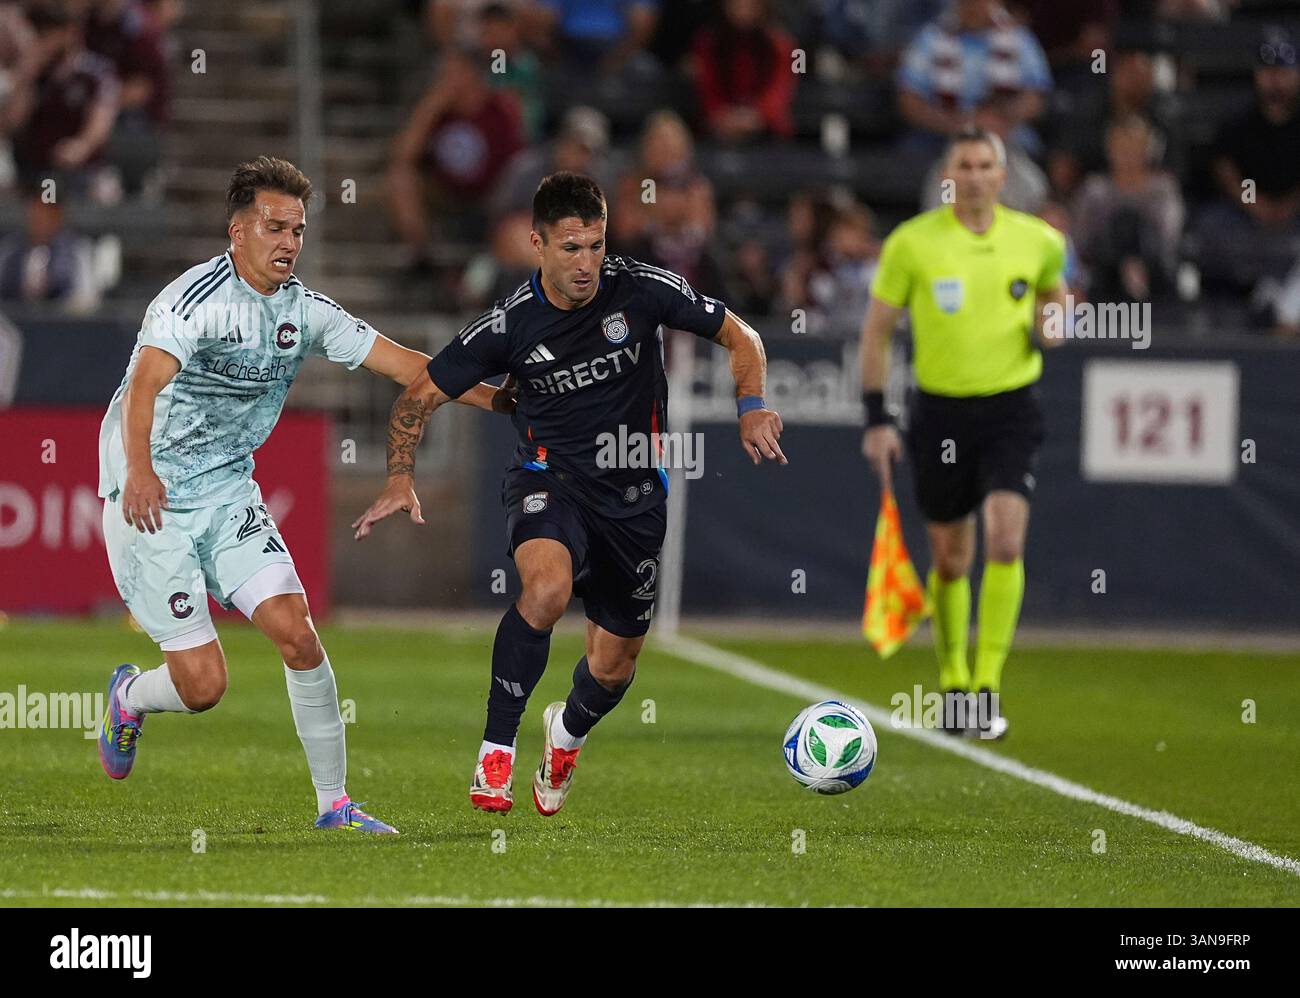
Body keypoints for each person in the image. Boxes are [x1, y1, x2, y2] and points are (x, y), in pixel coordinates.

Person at [95, 156, 513, 833]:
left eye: (298, 229)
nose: (288, 242)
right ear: (237, 231)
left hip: (227, 488)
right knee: (204, 686)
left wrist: (502, 402)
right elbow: (143, 386)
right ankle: (130, 696)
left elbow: (410, 367)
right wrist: (140, 472)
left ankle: (335, 805)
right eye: (273, 227)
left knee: (297, 633)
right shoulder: (190, 302)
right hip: (151, 491)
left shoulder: (307, 313)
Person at [353, 172, 786, 815]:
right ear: (537, 243)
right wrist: (399, 476)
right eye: (570, 248)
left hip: (637, 493)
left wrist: (752, 407)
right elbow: (420, 393)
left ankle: (567, 733)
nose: (586, 264)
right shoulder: (507, 325)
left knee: (613, 668)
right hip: (547, 480)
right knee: (547, 590)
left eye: (595, 246)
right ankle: (496, 751)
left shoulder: (640, 288)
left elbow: (741, 336)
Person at [858, 127, 1067, 738]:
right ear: (948, 175)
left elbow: (1057, 293)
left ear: (1003, 177)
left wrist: (1054, 320)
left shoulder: (1038, 240)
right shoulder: (913, 244)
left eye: (985, 165)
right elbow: (877, 333)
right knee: (951, 557)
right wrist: (877, 419)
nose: (974, 176)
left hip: (1010, 408)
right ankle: (952, 680)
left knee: (1005, 541)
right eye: (964, 165)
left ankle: (986, 686)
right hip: (939, 413)